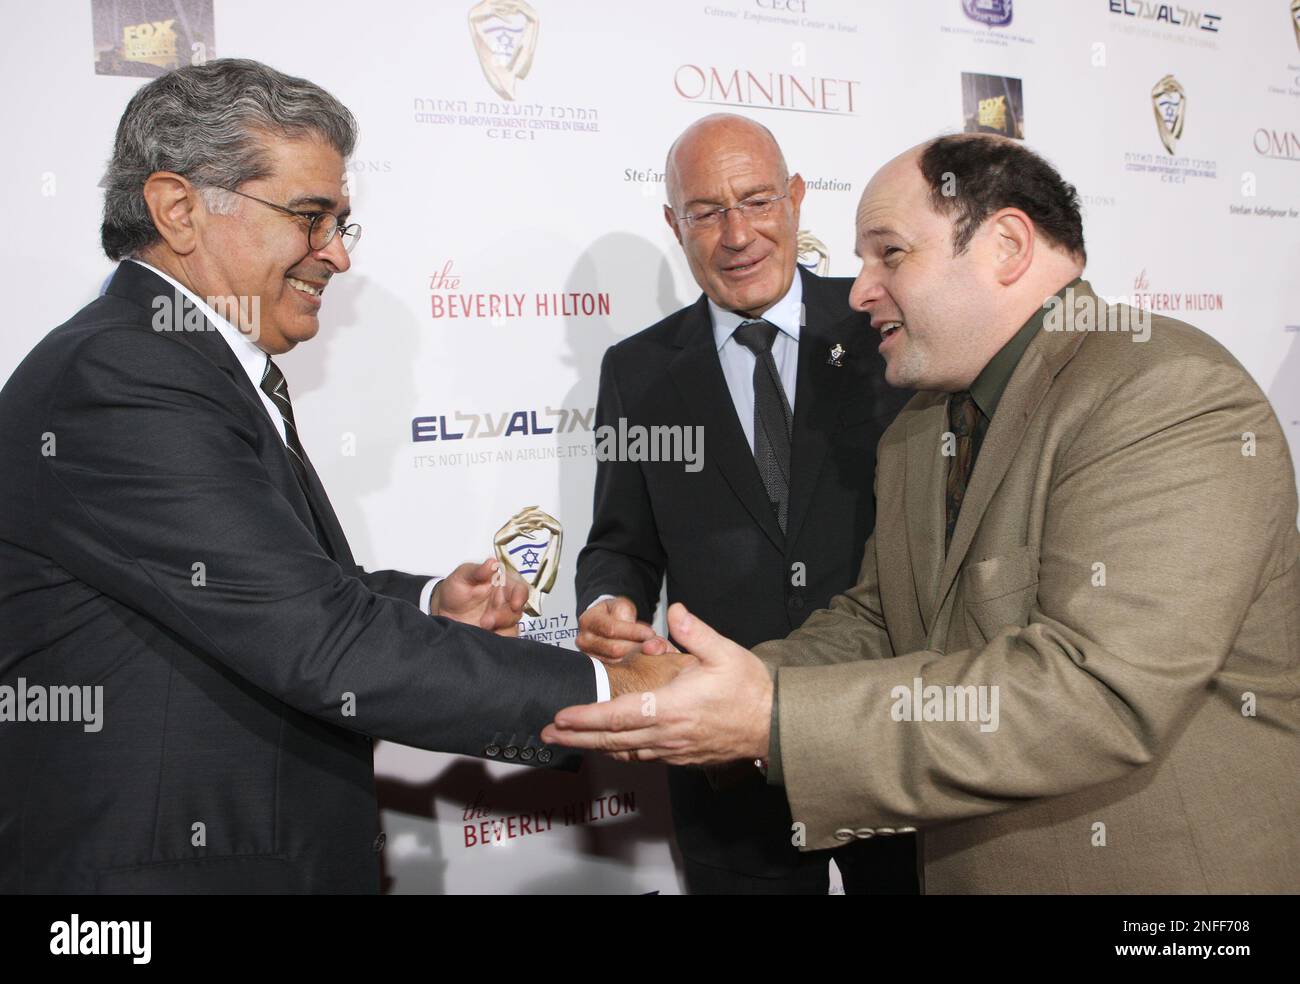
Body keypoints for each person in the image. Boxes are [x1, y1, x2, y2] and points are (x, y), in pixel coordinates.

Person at [547, 133, 1300, 893]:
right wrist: (722, 686)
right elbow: (880, 620)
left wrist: (772, 717)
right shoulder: (921, 423)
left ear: (1006, 245)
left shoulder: (1165, 396)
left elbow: (1096, 695)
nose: (858, 289)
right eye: (707, 212)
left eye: (890, 255)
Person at [0, 58, 671, 894]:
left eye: (342, 221)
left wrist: (429, 604)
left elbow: (260, 594)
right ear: (179, 209)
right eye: (310, 217)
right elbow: (315, 638)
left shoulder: (179, 360)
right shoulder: (123, 373)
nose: (337, 255)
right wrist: (625, 689)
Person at [575, 114, 913, 894]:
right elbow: (621, 540)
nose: (737, 234)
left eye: (757, 201)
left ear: (796, 200)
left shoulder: (884, 331)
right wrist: (610, 602)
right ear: (673, 224)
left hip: (885, 722)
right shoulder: (638, 372)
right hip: (724, 756)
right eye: (705, 212)